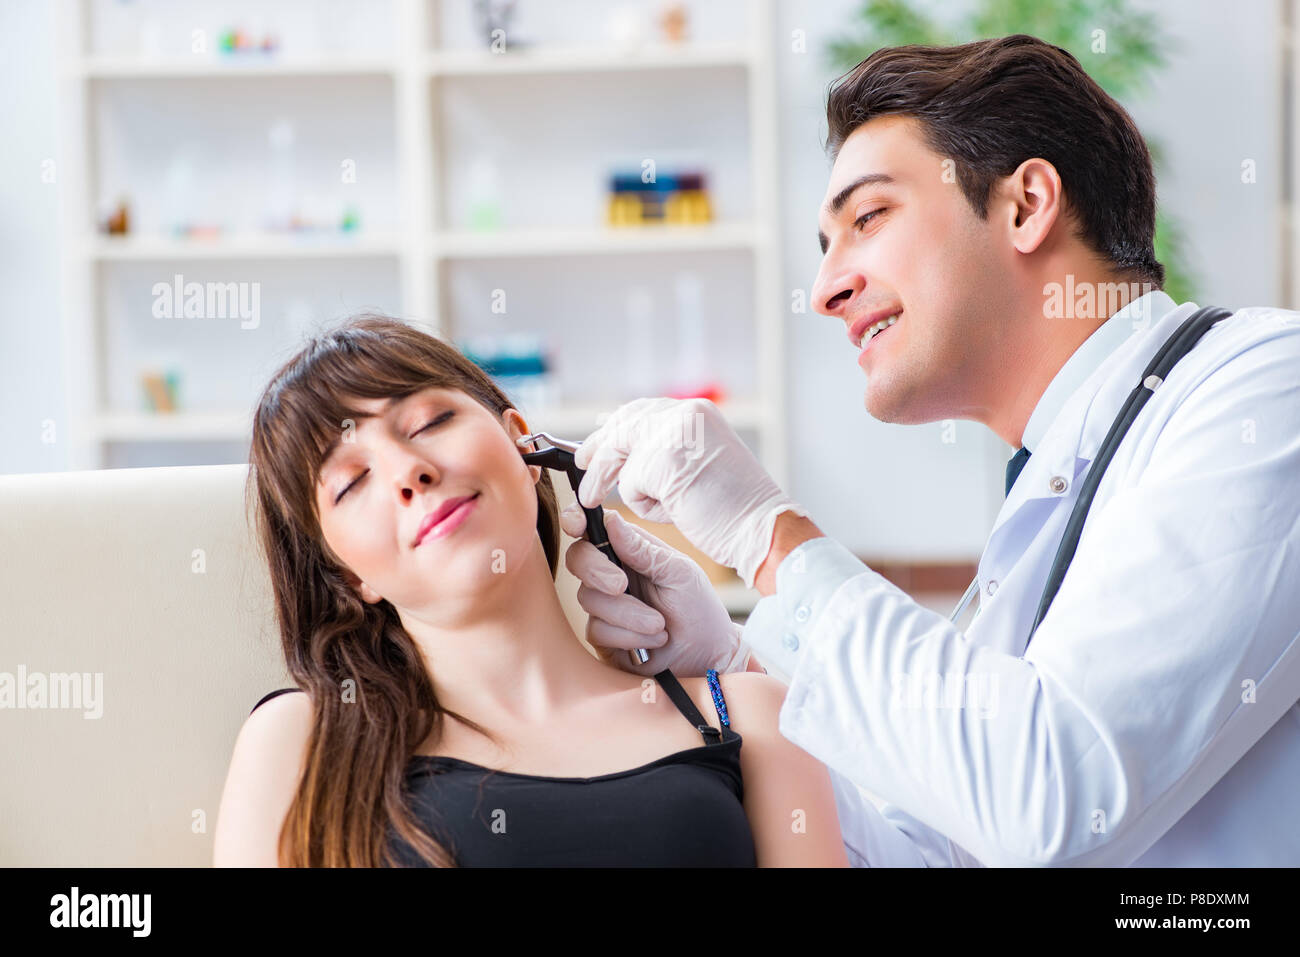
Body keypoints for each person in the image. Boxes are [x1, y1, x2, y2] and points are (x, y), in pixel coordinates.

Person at [562, 35, 1300, 866]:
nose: (825, 290)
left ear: (1026, 205)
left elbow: (1053, 794)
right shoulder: (1044, 502)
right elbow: (936, 850)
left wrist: (770, 539)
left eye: (868, 218)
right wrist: (734, 666)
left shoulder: (1266, 386)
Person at [211, 314, 848, 867]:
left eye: (429, 422)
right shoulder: (302, 743)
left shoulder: (747, 713)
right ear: (351, 575)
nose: (409, 471)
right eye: (351, 483)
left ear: (523, 443)